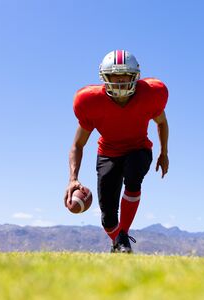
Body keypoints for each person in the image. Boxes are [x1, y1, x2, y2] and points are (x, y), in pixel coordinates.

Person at [64, 50, 169, 253]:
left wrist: (164, 153)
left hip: (138, 149)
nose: (120, 80)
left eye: (125, 75)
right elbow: (77, 144)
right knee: (108, 218)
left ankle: (123, 236)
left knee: (133, 173)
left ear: (135, 77)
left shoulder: (150, 94)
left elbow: (162, 122)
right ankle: (118, 242)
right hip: (108, 154)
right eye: (114, 75)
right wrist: (73, 178)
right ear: (105, 78)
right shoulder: (90, 101)